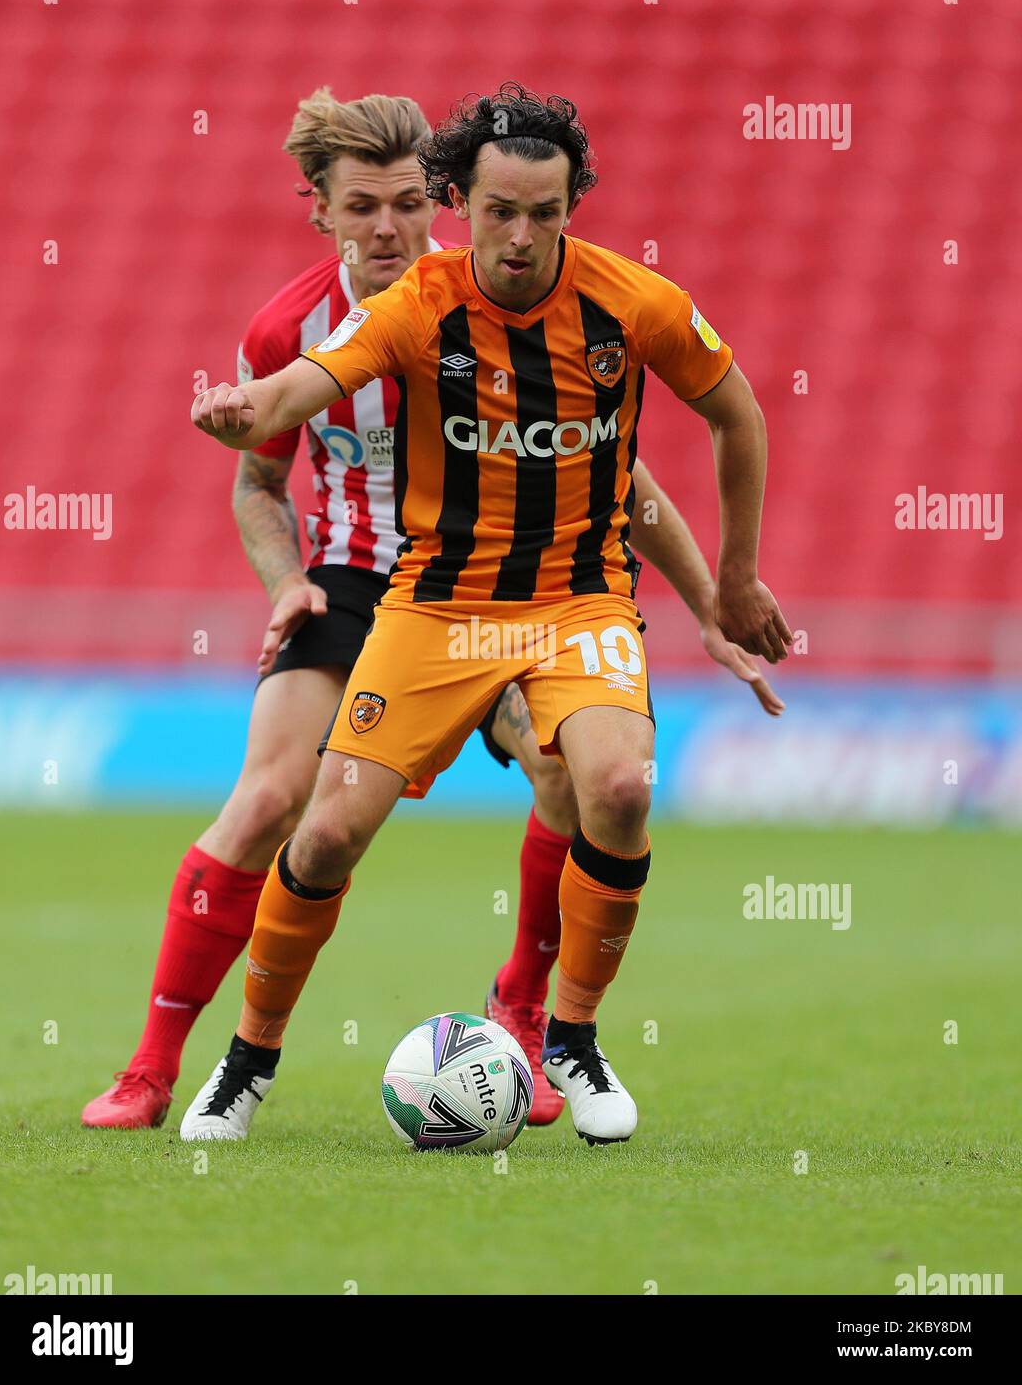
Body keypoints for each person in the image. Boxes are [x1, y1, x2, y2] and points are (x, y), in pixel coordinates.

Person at [82, 87, 781, 1132]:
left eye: (406, 205)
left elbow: (614, 480)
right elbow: (258, 476)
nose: (387, 229)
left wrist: (714, 598)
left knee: (579, 772)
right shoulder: (302, 327)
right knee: (279, 806)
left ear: (436, 204)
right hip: (370, 583)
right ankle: (158, 1065)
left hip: (538, 586)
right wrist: (287, 580)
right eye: (362, 207)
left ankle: (532, 1011)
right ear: (320, 211)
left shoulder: (546, 308)